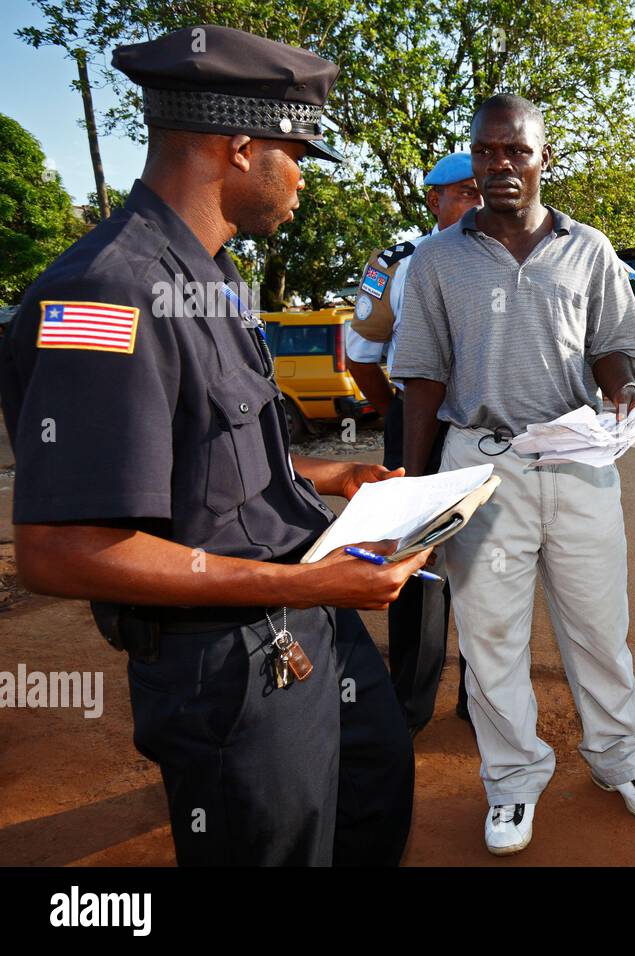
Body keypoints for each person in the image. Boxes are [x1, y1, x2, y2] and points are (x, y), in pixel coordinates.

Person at [0, 25, 430, 866]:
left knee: (373, 790)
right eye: (296, 154)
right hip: (228, 662)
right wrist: (298, 581)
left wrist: (330, 474)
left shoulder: (218, 277)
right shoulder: (107, 293)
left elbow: (209, 460)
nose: (302, 180)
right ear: (239, 147)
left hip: (307, 621)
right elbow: (58, 551)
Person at [393, 93, 635, 856]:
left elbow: (612, 346)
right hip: (480, 464)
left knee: (598, 628)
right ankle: (513, 783)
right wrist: (417, 492)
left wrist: (621, 390)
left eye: (515, 151)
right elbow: (420, 378)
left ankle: (621, 760)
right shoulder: (437, 258)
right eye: (487, 152)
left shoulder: (590, 249)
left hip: (577, 458)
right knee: (489, 640)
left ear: (544, 157)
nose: (500, 166)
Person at [345, 152, 482, 735]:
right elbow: (361, 355)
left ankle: (483, 698)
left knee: (487, 558)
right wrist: (395, 415)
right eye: (467, 192)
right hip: (417, 421)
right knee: (417, 560)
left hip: (483, 426)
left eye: (484, 192)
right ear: (435, 200)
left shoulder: (506, 258)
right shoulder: (399, 265)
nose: (481, 202)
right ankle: (409, 705)